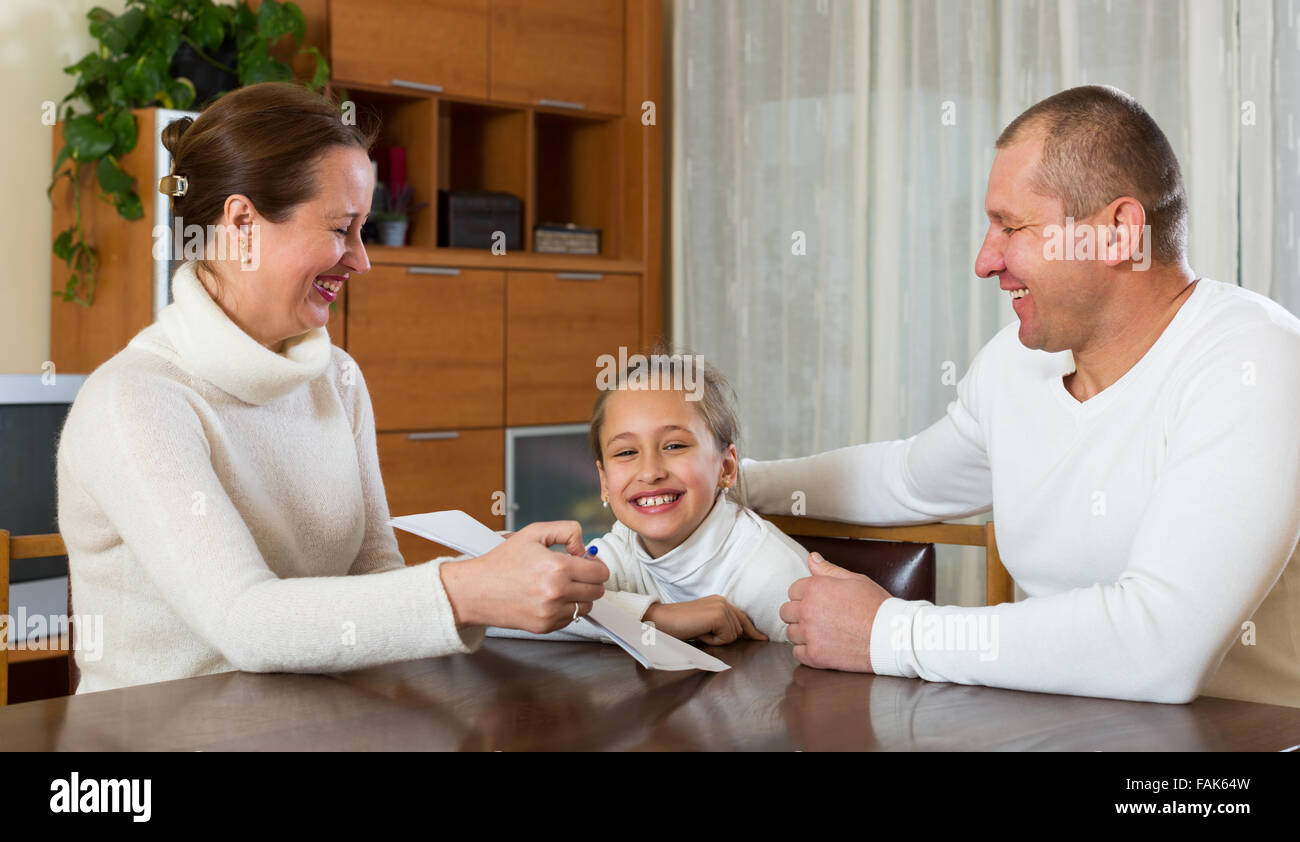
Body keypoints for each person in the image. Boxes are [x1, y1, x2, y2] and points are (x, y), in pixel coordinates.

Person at [744, 85, 1300, 707]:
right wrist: (737, 481)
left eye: (1012, 226)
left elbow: (1161, 647)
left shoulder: (1257, 359)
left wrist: (888, 634)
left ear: (1118, 231)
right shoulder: (1015, 363)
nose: (985, 261)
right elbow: (906, 477)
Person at [56, 82, 607, 694]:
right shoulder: (135, 400)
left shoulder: (336, 379)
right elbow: (245, 622)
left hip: (316, 721)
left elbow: (375, 572)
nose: (362, 260)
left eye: (363, 230)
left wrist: (495, 578)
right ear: (242, 223)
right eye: (343, 228)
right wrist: (471, 589)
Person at [489, 351, 810, 645]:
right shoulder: (623, 547)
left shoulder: (772, 576)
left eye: (674, 446)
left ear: (726, 467)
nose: (650, 472)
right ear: (604, 482)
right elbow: (485, 605)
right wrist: (656, 618)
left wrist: (618, 616)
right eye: (627, 452)